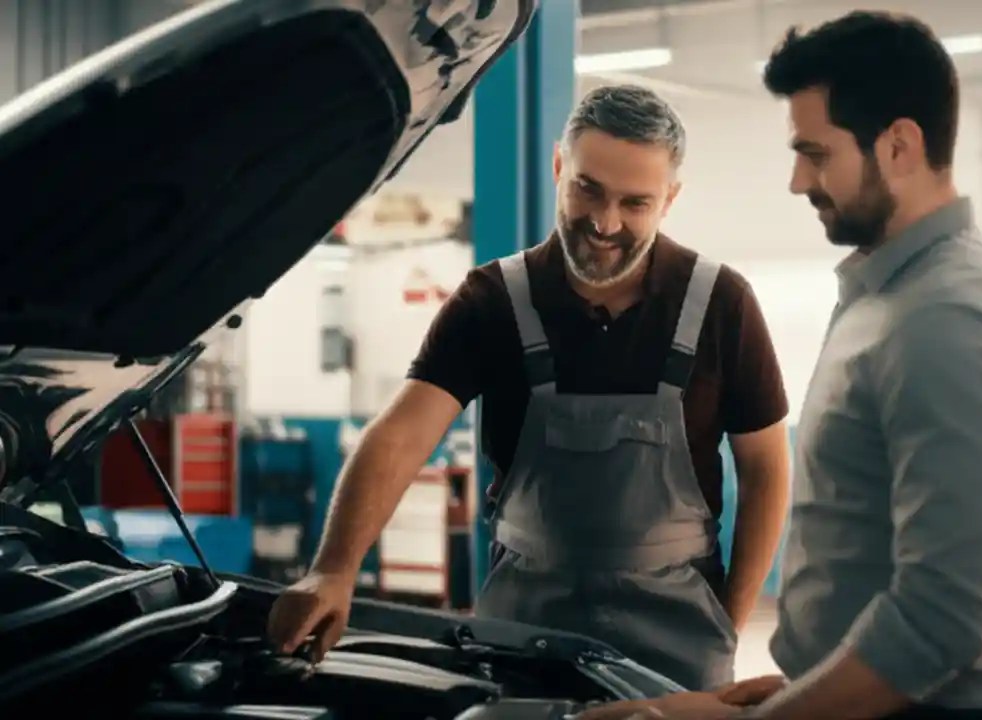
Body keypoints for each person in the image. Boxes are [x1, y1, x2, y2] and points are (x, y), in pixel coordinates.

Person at [579, 10, 982, 720]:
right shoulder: (892, 294)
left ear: (898, 145)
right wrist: (806, 687)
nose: (797, 180)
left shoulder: (951, 320)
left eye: (816, 152)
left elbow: (946, 614)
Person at [265, 83, 793, 693]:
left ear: (670, 199)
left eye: (635, 203)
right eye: (587, 188)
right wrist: (333, 570)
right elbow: (403, 435)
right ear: (558, 166)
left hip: (679, 643)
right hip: (524, 634)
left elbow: (767, 472)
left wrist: (728, 621)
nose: (604, 221)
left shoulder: (721, 305)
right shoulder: (491, 302)